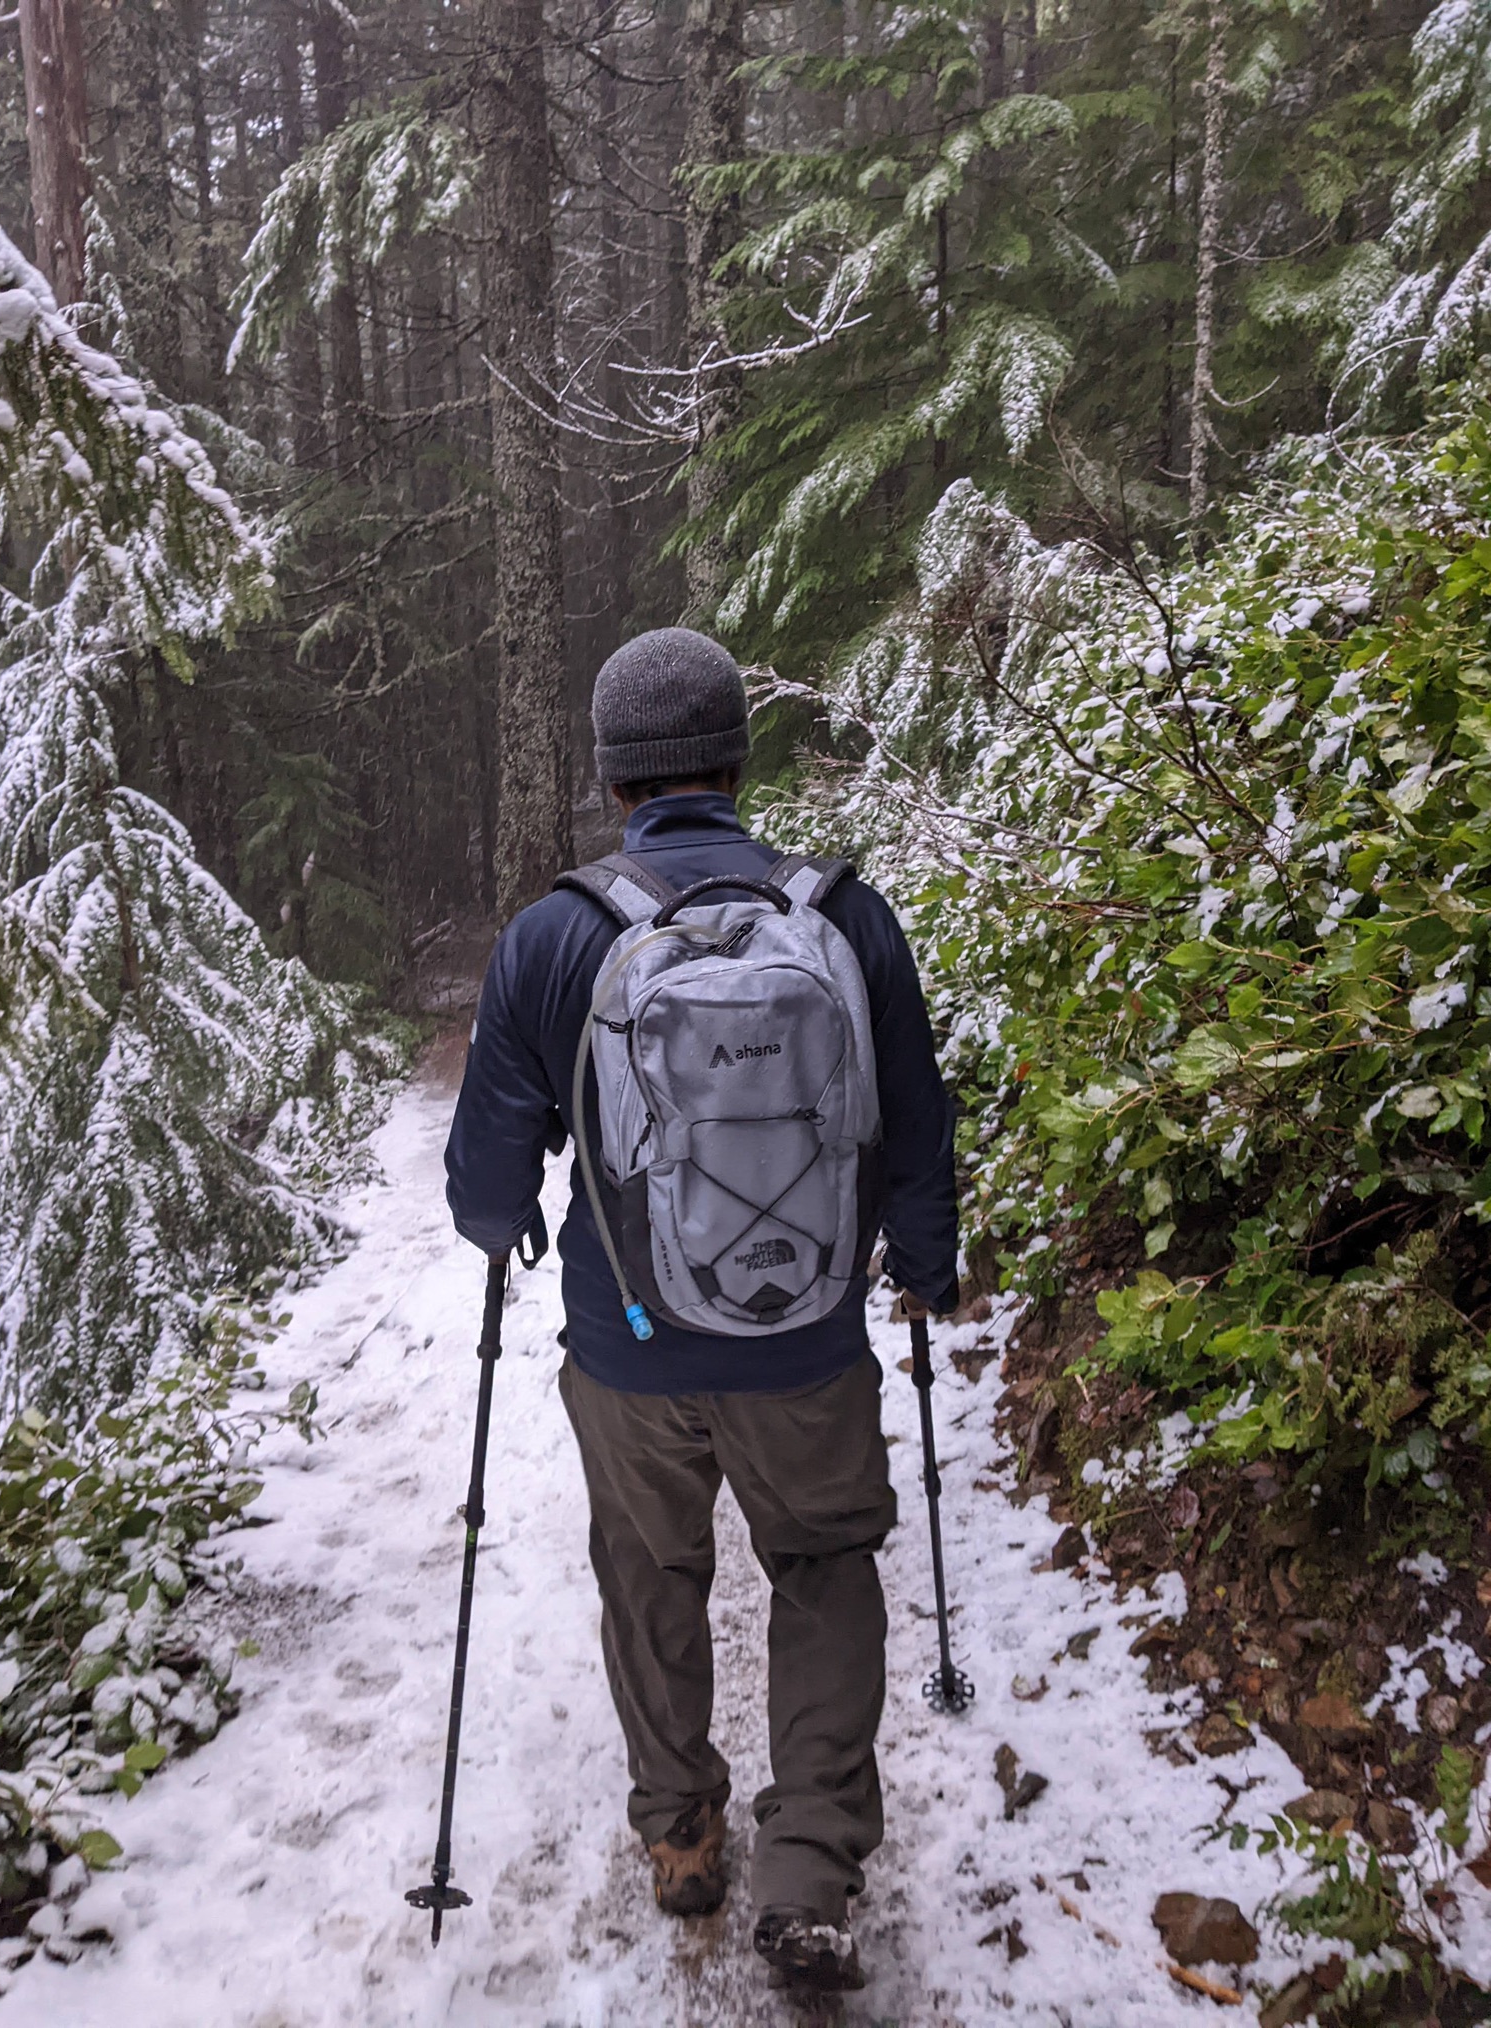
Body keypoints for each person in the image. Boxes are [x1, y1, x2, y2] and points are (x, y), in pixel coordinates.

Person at [445, 627, 958, 1995]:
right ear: (736, 761)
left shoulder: (554, 936)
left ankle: (682, 1838)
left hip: (628, 1355)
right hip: (807, 1349)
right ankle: (811, 1870)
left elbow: (487, 1178)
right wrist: (926, 1262)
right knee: (825, 1566)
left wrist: (510, 1230)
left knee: (649, 1573)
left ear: (615, 779)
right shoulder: (845, 917)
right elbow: (916, 1120)